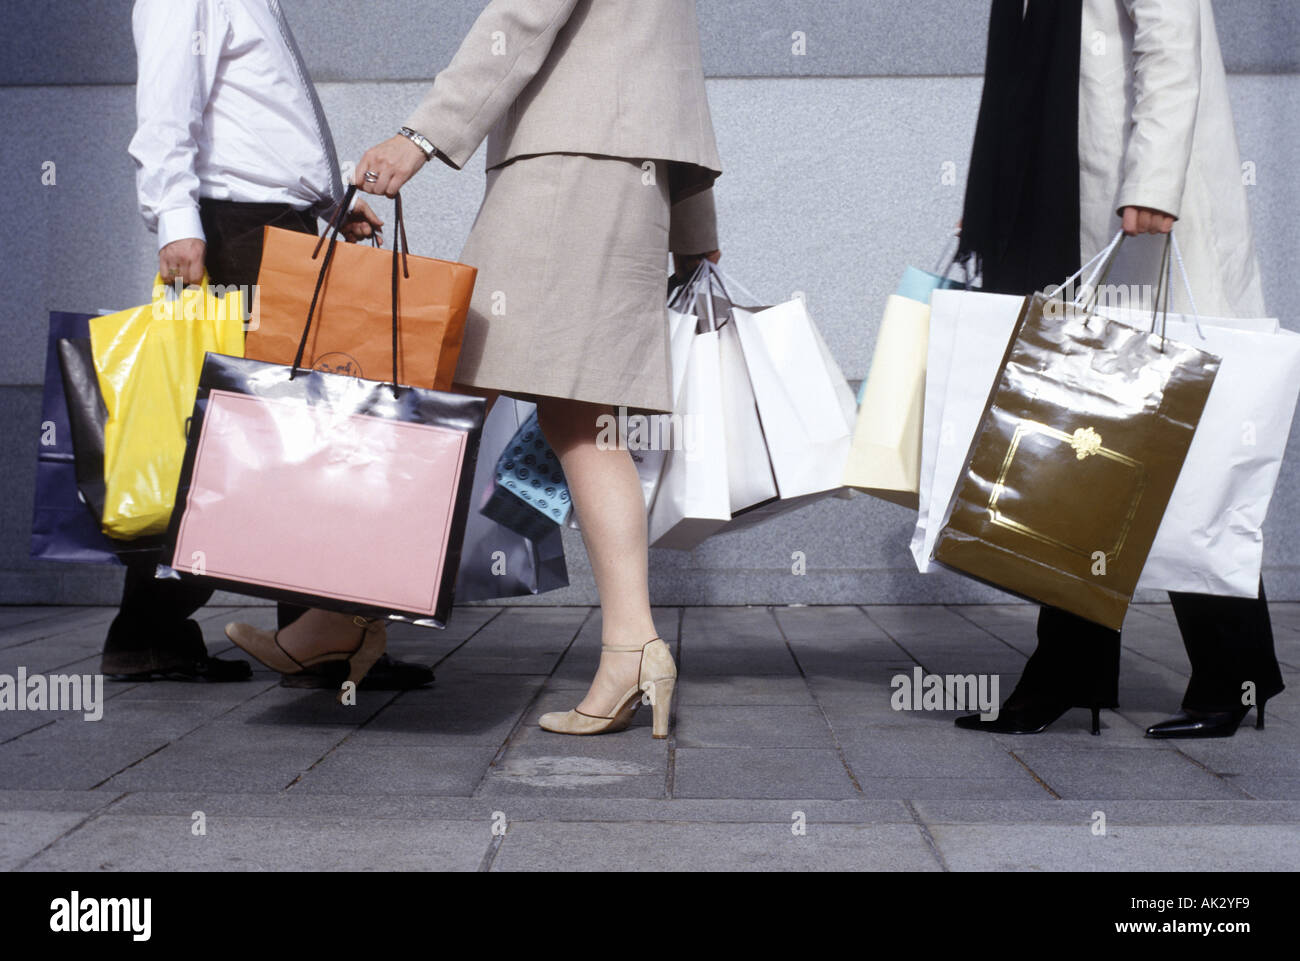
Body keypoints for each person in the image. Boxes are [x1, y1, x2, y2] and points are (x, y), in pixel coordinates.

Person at [224, 0, 722, 735]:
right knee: (578, 415)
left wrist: (421, 135)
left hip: (569, 165)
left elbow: (521, 12)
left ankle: (345, 614)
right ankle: (632, 648)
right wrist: (695, 223)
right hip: (623, 166)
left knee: (447, 398)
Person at [952, 0, 1283, 738]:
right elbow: (1027, 81)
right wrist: (997, 203)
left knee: (1174, 437)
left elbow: (1172, 39)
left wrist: (1153, 184)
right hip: (1071, 204)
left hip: (1136, 204)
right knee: (1083, 434)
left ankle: (1236, 674)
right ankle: (1071, 667)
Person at [115, 0, 436, 693]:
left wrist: (329, 199)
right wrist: (174, 215)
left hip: (270, 225)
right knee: (249, 435)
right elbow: (166, 105)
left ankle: (274, 633)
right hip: (235, 227)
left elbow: (262, 119)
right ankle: (159, 632)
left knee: (291, 431)